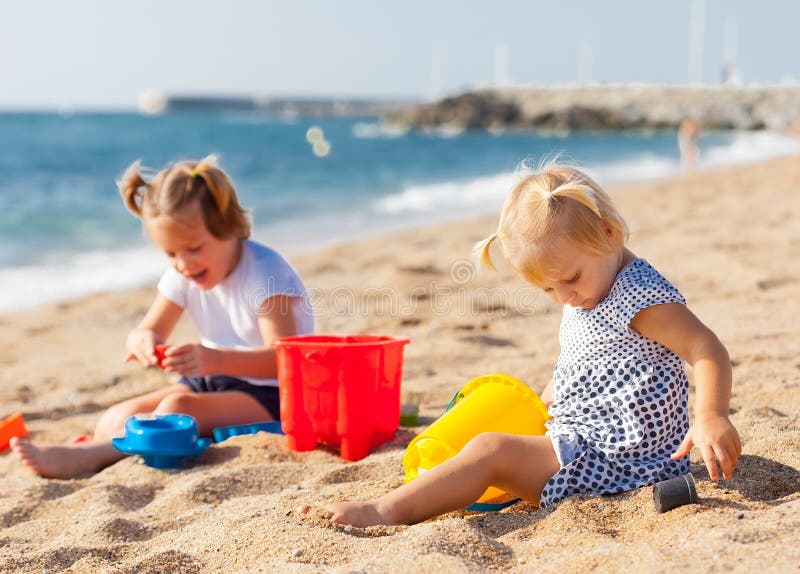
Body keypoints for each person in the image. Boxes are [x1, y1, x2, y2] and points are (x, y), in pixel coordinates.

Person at [308, 161, 741, 527]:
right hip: (595, 440)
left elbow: (706, 350)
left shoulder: (638, 296)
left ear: (610, 233)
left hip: (622, 462)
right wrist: (549, 400)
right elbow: (588, 357)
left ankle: (382, 512)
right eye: (549, 290)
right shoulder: (594, 280)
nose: (564, 297)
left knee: (490, 450)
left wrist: (712, 415)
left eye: (569, 279)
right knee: (492, 431)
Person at [12, 156, 314, 479]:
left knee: (175, 411)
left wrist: (217, 360)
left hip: (272, 393)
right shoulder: (186, 274)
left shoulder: (265, 274)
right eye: (171, 253)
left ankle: (91, 456)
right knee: (117, 417)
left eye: (194, 248)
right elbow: (150, 327)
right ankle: (100, 447)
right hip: (211, 381)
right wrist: (143, 340)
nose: (183, 263)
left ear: (230, 227)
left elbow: (285, 360)